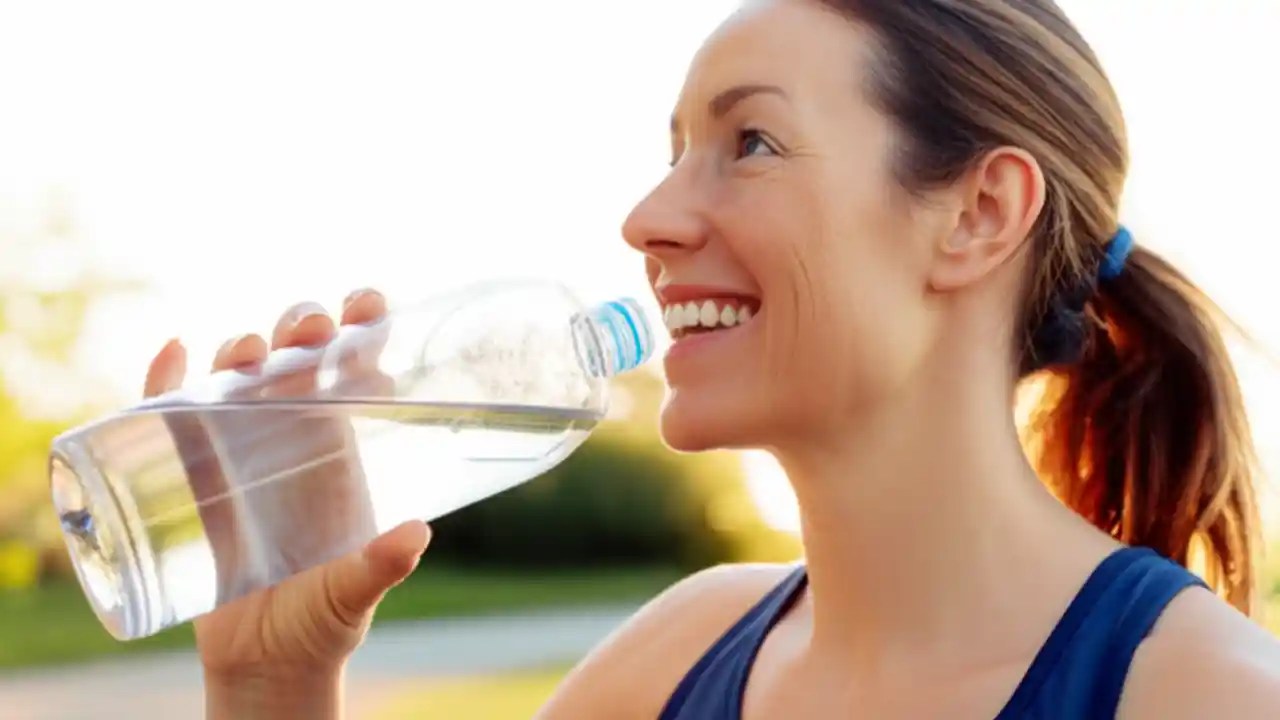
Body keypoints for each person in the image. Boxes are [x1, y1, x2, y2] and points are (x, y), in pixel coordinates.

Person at [153, 0, 1280, 717]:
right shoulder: (666, 665)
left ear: (978, 214)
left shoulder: (1207, 698)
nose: (646, 219)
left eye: (751, 143)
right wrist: (272, 682)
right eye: (676, 151)